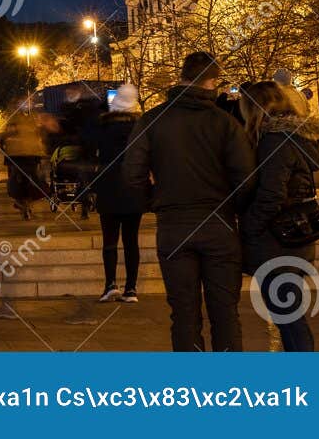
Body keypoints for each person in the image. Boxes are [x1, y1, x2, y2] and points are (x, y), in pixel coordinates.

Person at [125, 51, 254, 352]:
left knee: (183, 314)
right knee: (225, 313)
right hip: (219, 223)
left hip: (173, 226)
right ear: (212, 81)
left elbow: (132, 173)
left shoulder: (152, 119)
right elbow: (246, 178)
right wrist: (230, 207)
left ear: (182, 77)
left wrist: (154, 201)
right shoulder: (226, 123)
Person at [239, 80, 319, 352]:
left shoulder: (274, 141)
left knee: (289, 319)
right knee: (289, 314)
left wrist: (249, 228)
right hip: (295, 237)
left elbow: (271, 194)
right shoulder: (297, 137)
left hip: (276, 242)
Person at [91, 83, 146, 302]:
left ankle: (110, 284)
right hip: (134, 189)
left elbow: (92, 154)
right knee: (131, 240)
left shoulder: (103, 128)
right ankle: (131, 288)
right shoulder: (140, 129)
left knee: (110, 240)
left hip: (109, 189)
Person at [0, 98, 48, 221]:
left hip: (26, 154)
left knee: (28, 179)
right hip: (23, 155)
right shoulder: (19, 119)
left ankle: (23, 202)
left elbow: (39, 134)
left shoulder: (29, 118)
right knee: (26, 178)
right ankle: (23, 202)